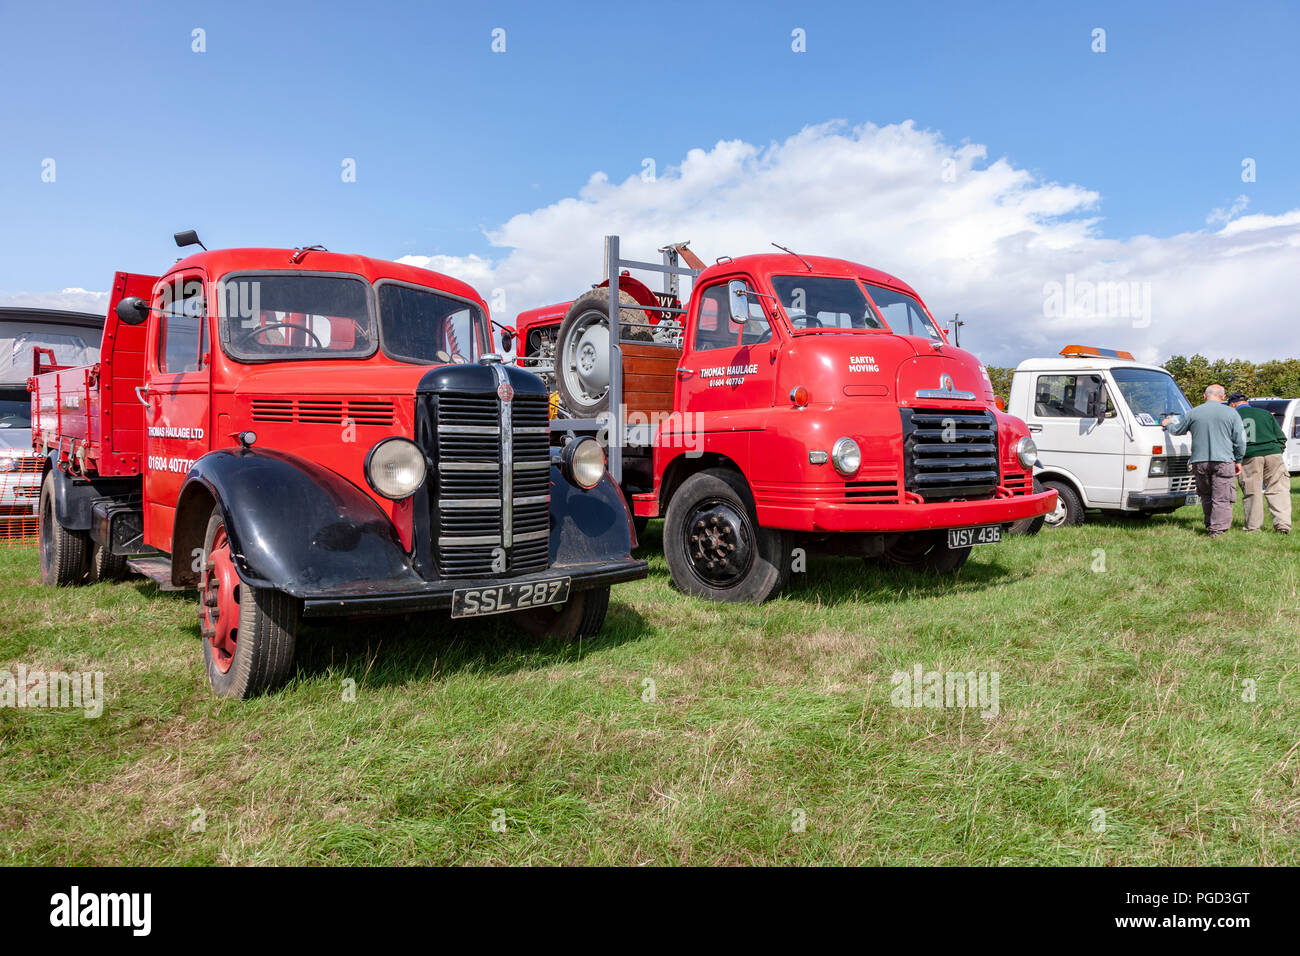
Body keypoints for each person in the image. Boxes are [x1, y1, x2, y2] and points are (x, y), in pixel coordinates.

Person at [1162, 385, 1246, 539]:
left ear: (1204, 396)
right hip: (1223, 460)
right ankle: (1218, 531)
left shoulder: (1193, 412)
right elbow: (1240, 440)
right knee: (1221, 497)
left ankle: (1209, 524)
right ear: (1223, 397)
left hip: (1199, 461)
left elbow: (1177, 430)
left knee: (1206, 495)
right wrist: (1239, 459)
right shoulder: (1231, 413)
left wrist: (1167, 423)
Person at [1228, 392, 1291, 534]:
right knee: (1278, 489)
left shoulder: (1232, 417)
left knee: (1252, 491)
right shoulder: (1266, 413)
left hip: (1249, 455)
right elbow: (1281, 437)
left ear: (1233, 404)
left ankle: (1253, 527)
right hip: (1273, 453)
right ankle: (1283, 526)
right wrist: (1277, 450)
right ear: (1246, 402)